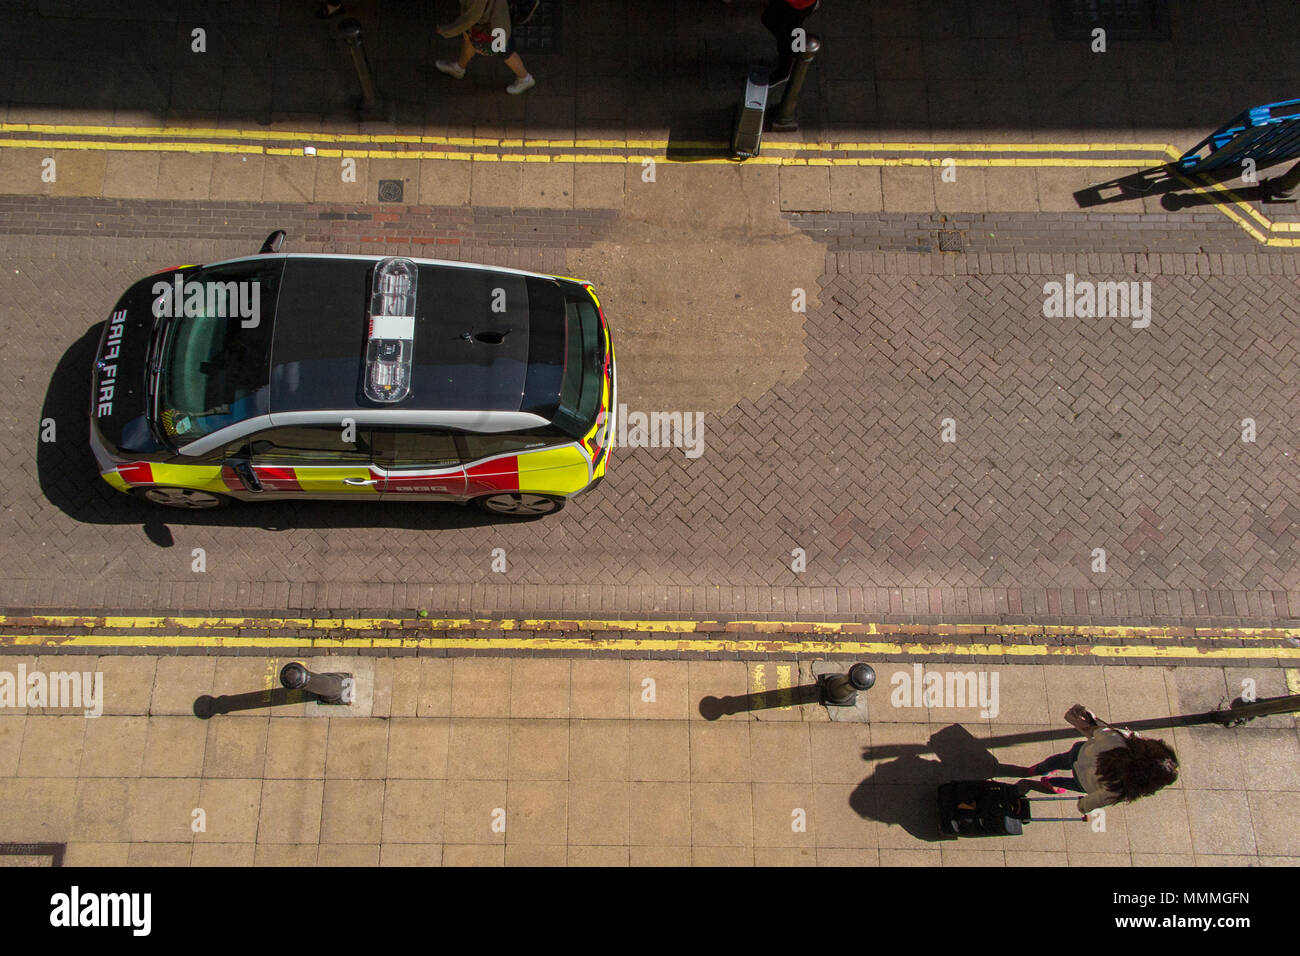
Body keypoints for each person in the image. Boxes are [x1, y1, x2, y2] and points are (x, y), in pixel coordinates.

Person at [1002, 704, 1179, 814]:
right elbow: (1095, 801)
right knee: (1066, 784)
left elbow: (1098, 731)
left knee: (1058, 760)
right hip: (1084, 782)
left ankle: (1038, 769)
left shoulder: (1118, 740)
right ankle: (1050, 782)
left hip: (1078, 756)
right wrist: (1083, 806)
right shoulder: (1122, 788)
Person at [436, 0, 536, 95]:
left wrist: (447, 31)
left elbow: (471, 17)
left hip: (494, 25)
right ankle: (459, 67)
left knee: (505, 51)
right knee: (468, 41)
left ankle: (525, 78)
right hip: (496, 18)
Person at [761, 0, 820, 85]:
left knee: (785, 38)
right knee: (769, 19)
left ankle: (784, 72)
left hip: (798, 4)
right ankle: (796, 48)